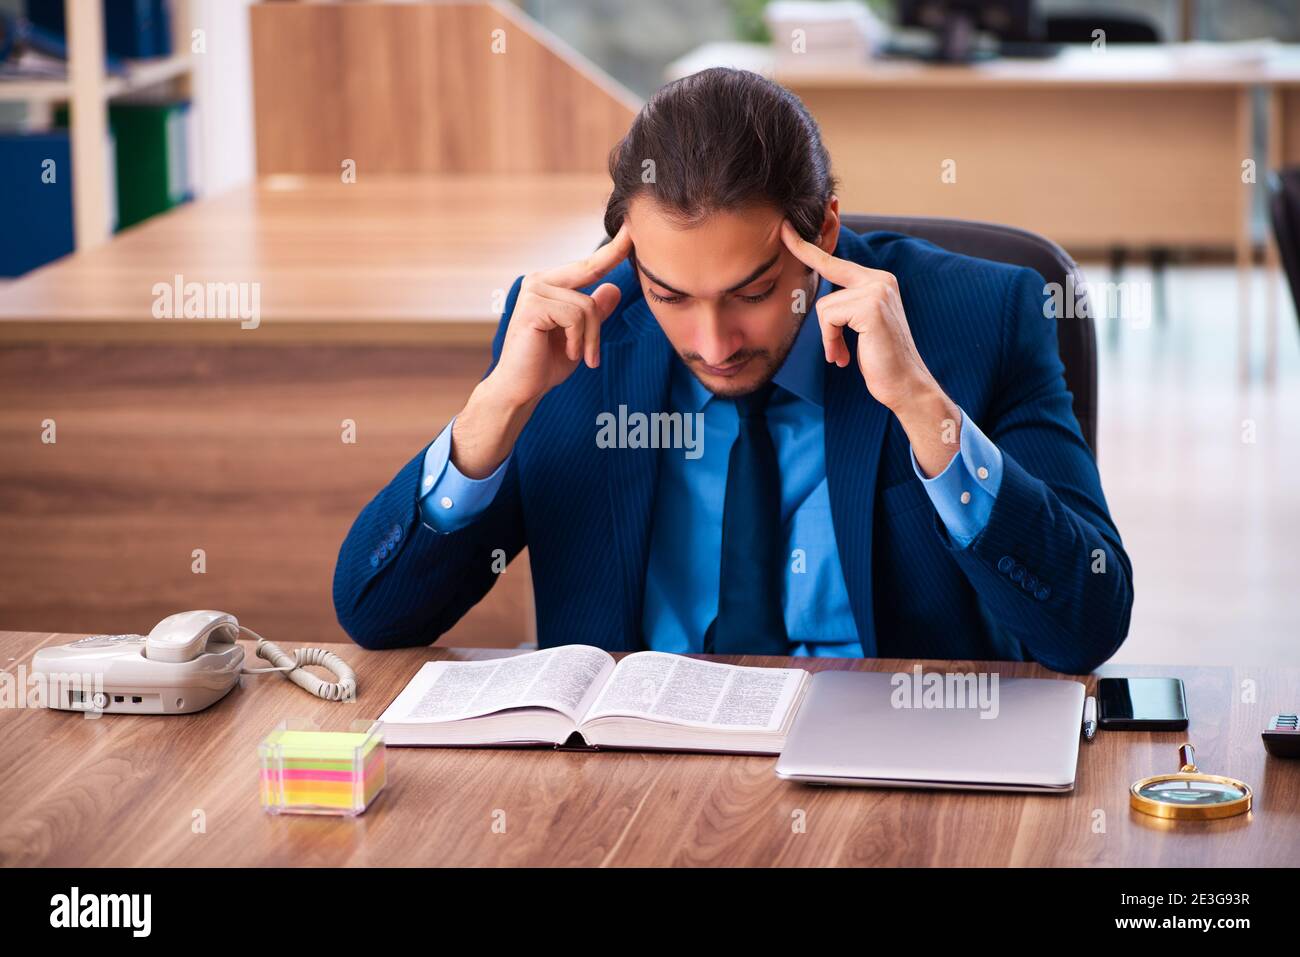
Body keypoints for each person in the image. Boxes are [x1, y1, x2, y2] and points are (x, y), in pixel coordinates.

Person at [333, 67, 1133, 674]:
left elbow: (1087, 622)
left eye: (752, 293)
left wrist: (928, 414)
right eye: (670, 293)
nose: (713, 341)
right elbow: (378, 615)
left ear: (822, 230)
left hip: (893, 780)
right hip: (632, 787)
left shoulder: (979, 316)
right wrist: (495, 412)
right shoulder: (571, 340)